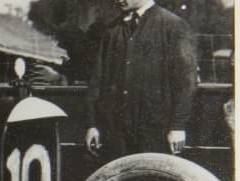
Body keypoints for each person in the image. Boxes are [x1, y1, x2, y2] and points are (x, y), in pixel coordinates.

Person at [85, 0, 198, 161]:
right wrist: (93, 125)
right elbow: (97, 80)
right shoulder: (112, 30)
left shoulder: (173, 26)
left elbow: (186, 82)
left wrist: (177, 126)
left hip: (156, 131)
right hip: (115, 131)